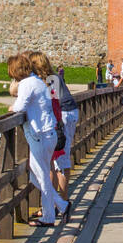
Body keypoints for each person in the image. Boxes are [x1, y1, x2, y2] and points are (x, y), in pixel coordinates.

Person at [8, 53, 67, 227]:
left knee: (41, 176)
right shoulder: (37, 81)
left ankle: (49, 217)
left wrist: (11, 108)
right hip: (48, 133)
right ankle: (62, 204)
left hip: (40, 134)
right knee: (36, 174)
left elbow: (20, 106)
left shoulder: (27, 83)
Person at [49, 62, 80, 205]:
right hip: (70, 112)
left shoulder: (50, 79)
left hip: (64, 114)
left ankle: (61, 203)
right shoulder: (55, 77)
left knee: (59, 160)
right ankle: (61, 200)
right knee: (62, 158)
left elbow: (53, 102)